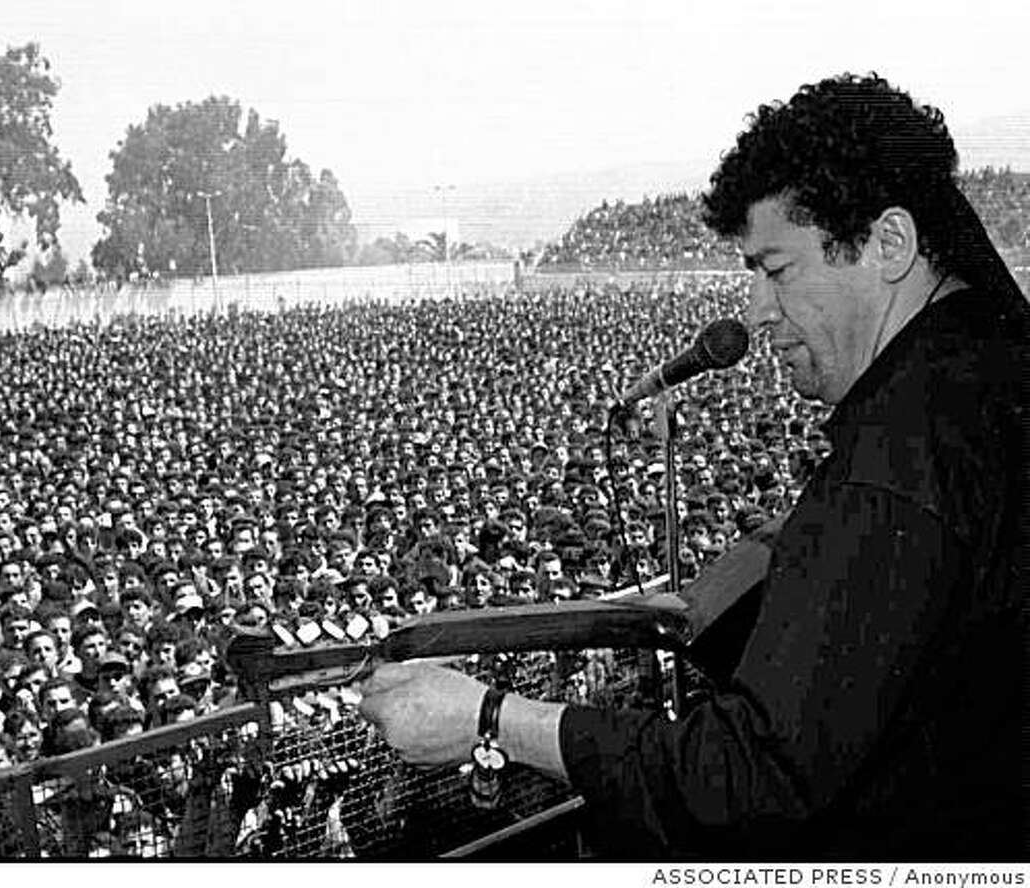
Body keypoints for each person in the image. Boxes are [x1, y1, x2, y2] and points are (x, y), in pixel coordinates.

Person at [359, 73, 1028, 860]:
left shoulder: (900, 459)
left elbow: (751, 784)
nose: (755, 314)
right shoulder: (990, 373)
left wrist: (490, 716)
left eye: (776, 270)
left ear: (888, 244)